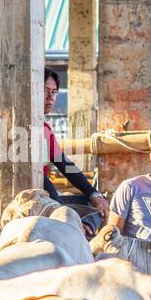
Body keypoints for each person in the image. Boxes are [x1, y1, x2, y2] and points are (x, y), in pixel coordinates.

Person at [43, 68, 110, 218]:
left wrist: (94, 194)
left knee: (98, 203)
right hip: (39, 200)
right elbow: (37, 175)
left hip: (49, 198)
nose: (50, 96)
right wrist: (57, 207)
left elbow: (65, 165)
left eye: (54, 92)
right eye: (46, 90)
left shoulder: (44, 128)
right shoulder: (27, 126)